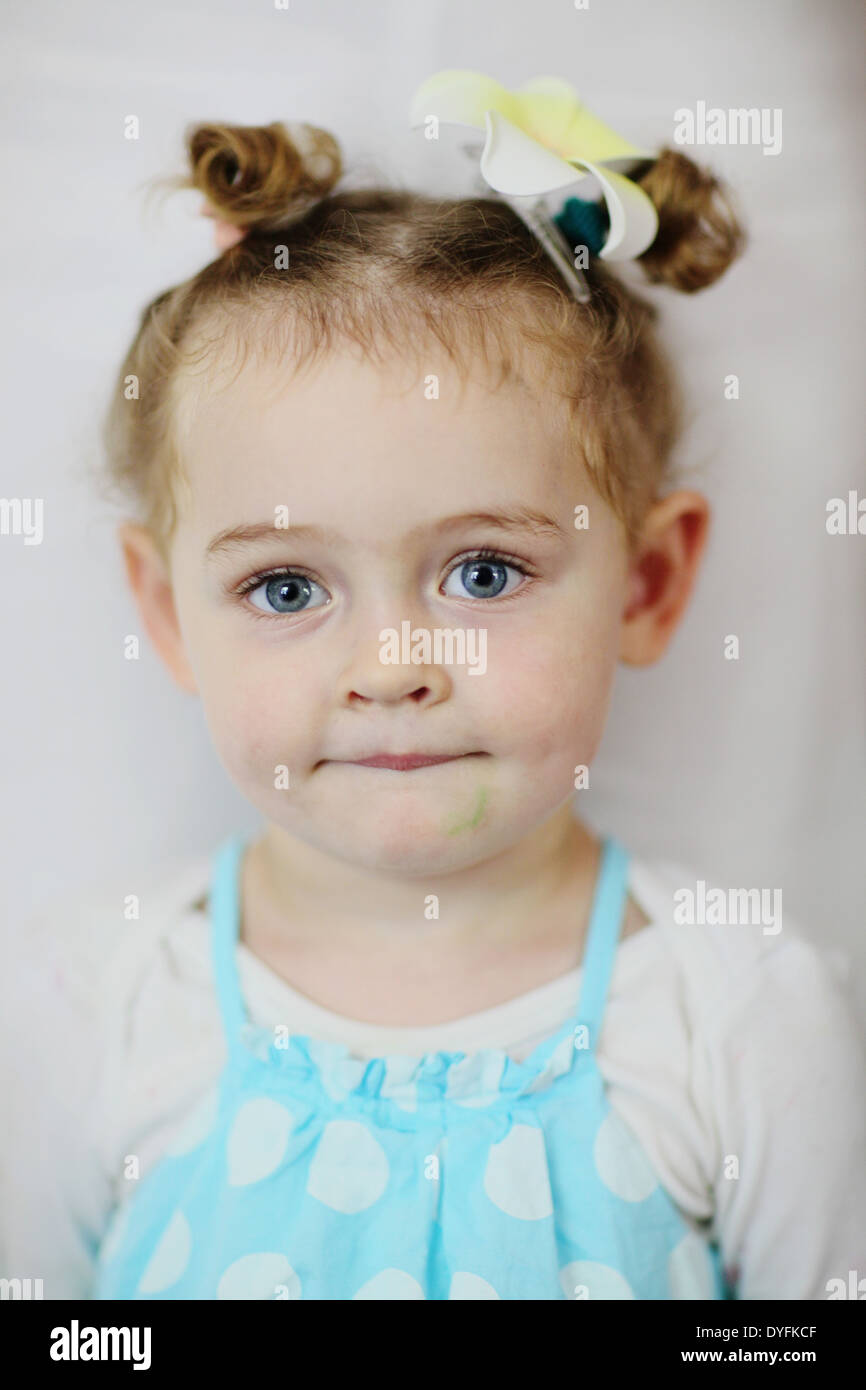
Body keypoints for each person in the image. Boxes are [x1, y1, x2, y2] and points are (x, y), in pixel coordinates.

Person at [3, 97, 864, 1302]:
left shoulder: (740, 1026)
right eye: (287, 584)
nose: (391, 662)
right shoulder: (85, 1009)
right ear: (164, 611)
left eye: (482, 572)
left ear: (646, 582)